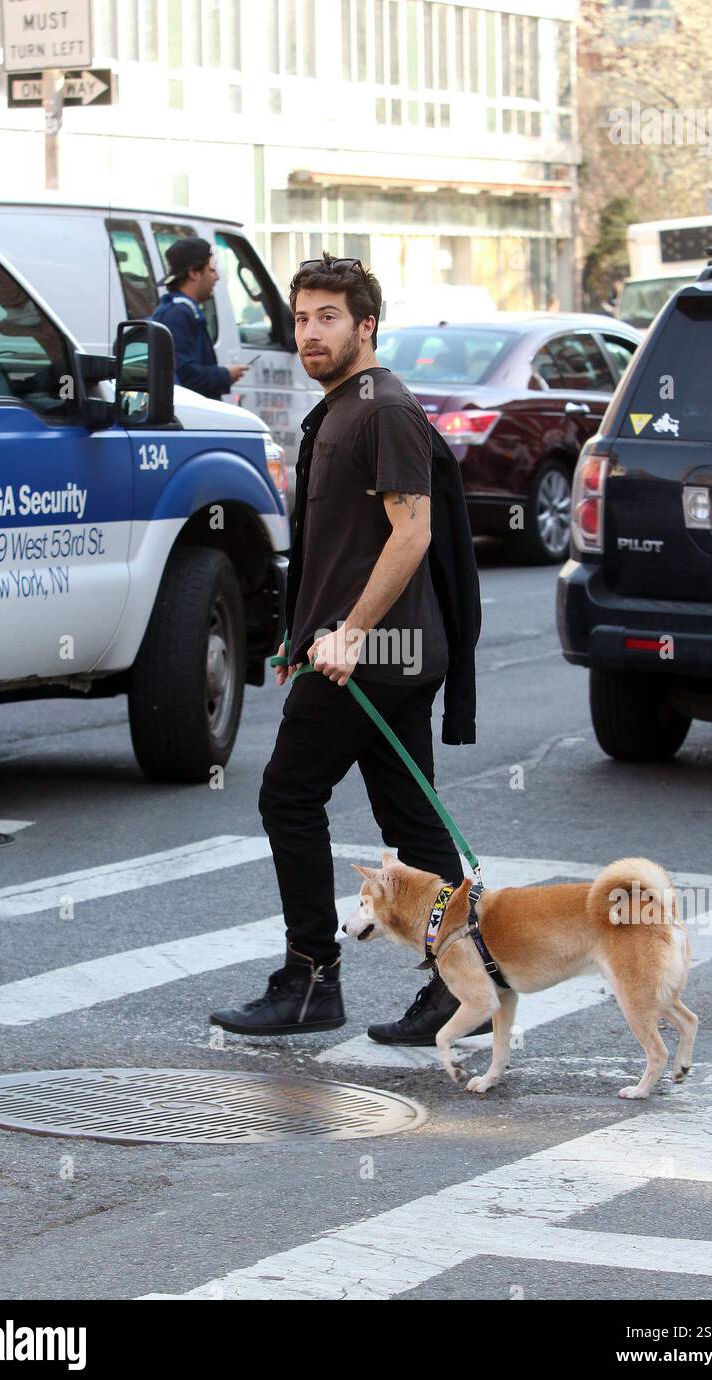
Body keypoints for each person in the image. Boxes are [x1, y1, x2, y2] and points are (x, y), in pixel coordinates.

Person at [209, 251, 486, 1045]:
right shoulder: (342, 409)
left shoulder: (382, 408)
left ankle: (309, 980)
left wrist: (352, 633)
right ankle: (455, 987)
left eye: (329, 317)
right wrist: (304, 636)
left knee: (288, 796)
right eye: (301, 318)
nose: (310, 333)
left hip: (374, 656)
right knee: (414, 821)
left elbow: (413, 532)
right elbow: (343, 549)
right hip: (370, 653)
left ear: (367, 325)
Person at [151, 236, 248, 400]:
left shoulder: (182, 310)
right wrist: (224, 375)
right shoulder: (177, 314)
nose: (217, 277)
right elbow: (185, 375)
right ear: (194, 273)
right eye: (211, 270)